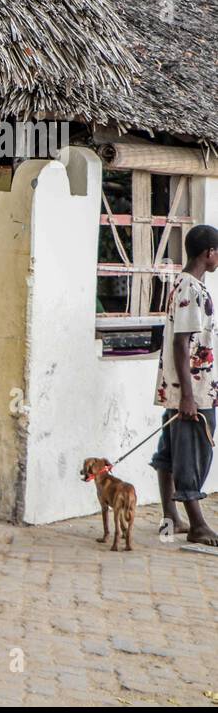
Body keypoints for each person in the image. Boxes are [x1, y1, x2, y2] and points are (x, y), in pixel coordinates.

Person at [150, 223, 218, 546]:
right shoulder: (190, 289)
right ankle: (197, 524)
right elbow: (181, 344)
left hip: (178, 388)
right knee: (194, 451)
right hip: (192, 390)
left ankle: (170, 517)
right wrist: (189, 397)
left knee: (170, 450)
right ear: (209, 253)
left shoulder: (182, 284)